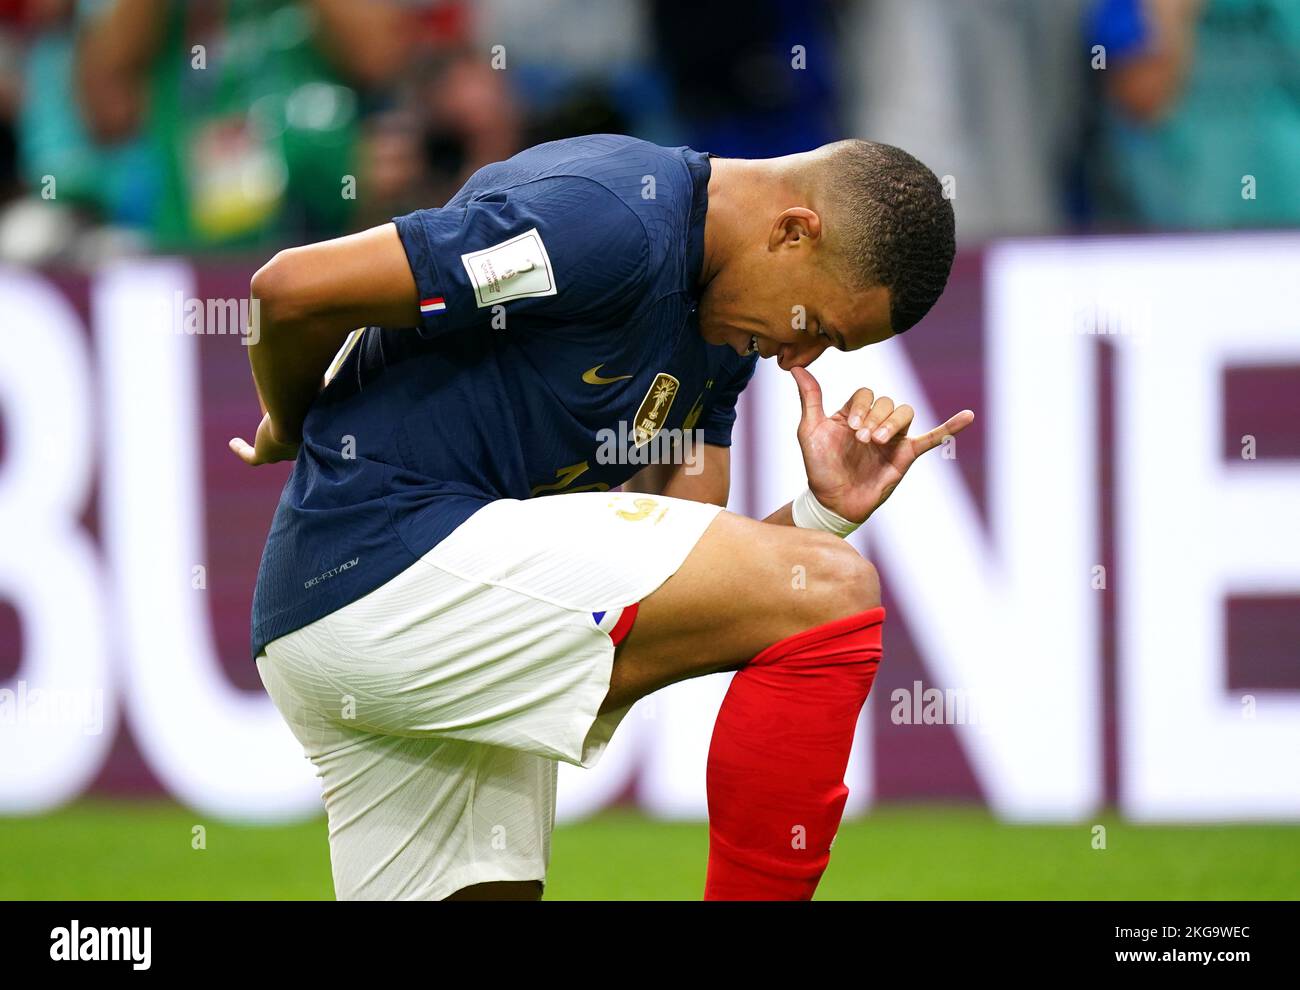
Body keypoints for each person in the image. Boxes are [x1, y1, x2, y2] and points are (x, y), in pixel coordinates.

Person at [231, 132, 970, 900]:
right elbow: (290, 289)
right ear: (793, 231)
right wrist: (288, 425)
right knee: (836, 590)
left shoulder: (723, 333)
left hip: (373, 618)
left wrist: (820, 513)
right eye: (817, 324)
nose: (800, 358)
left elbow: (692, 575)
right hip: (384, 568)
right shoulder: (608, 220)